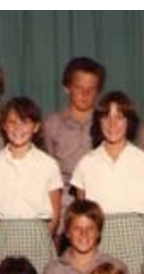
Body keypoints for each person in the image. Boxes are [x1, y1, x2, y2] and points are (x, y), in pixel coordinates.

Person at [71, 90, 144, 274]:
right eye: (106, 117)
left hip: (136, 242)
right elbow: (83, 214)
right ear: (99, 122)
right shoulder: (86, 163)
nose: (113, 124)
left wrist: (135, 238)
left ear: (129, 122)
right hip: (99, 241)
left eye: (119, 117)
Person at [0, 97, 64, 274]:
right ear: (4, 125)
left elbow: (55, 215)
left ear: (36, 127)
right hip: (4, 236)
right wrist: (2, 231)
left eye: (25, 122)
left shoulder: (48, 164)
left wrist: (40, 235)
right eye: (12, 122)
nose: (18, 128)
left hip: (37, 238)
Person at [43, 56, 105, 201]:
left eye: (91, 89)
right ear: (67, 88)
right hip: (63, 197)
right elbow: (45, 168)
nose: (85, 94)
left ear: (99, 91)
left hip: (100, 195)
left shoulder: (107, 122)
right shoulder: (52, 123)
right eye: (79, 87)